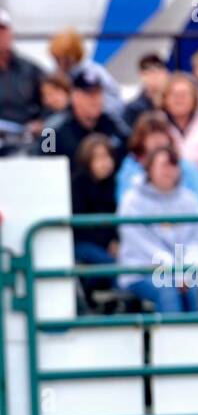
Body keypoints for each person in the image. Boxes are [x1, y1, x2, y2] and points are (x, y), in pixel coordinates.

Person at [116, 145, 198, 313]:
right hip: (142, 271)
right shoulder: (131, 202)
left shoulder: (190, 200)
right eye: (163, 165)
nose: (168, 171)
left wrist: (187, 270)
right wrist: (175, 272)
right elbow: (142, 245)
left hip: (186, 272)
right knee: (167, 291)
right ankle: (173, 338)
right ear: (150, 168)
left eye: (173, 165)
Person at [116, 110, 198, 209]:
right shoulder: (130, 167)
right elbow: (124, 202)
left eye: (161, 133)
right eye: (151, 135)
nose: (157, 140)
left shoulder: (186, 167)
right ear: (141, 139)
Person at [70, 133, 119, 311]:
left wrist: (115, 240)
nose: (104, 162)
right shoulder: (76, 185)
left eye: (107, 156)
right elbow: (80, 226)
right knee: (114, 267)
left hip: (107, 245)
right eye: (98, 157)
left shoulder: (113, 184)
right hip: (82, 244)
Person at [39, 66, 129, 161]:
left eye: (99, 93)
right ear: (75, 96)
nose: (96, 100)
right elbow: (44, 166)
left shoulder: (111, 124)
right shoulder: (51, 130)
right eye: (89, 94)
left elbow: (130, 148)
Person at [48, 28, 123, 116]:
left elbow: (116, 104)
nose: (61, 64)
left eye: (66, 59)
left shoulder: (95, 73)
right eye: (57, 59)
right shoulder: (54, 76)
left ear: (76, 55)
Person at [0, 9, 44, 130]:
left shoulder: (31, 70)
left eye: (3, 30)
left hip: (25, 138)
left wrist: (42, 121)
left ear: (11, 34)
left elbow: (53, 101)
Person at [122, 52, 170, 130]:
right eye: (149, 73)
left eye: (158, 72)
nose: (154, 77)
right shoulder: (133, 109)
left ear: (166, 74)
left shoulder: (174, 105)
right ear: (141, 76)